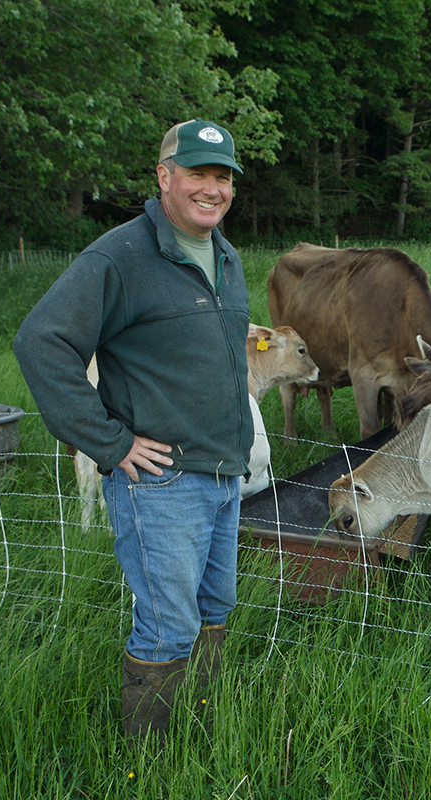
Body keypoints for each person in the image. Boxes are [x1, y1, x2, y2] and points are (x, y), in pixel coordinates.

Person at [13, 119, 253, 744]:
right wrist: (110, 442)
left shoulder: (223, 255)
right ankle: (149, 760)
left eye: (222, 176)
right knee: (169, 625)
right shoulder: (121, 256)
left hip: (224, 474)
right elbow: (42, 343)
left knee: (213, 612)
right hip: (162, 481)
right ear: (164, 176)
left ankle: (198, 732)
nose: (212, 188)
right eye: (198, 173)